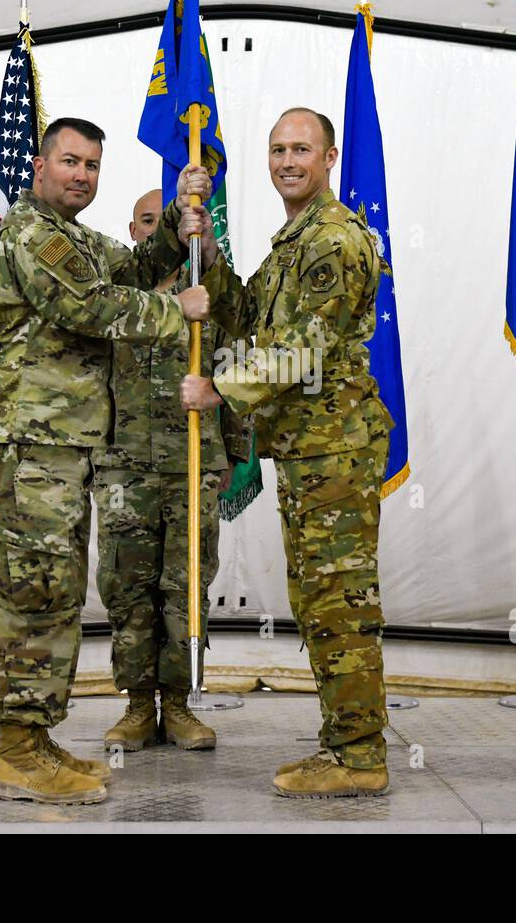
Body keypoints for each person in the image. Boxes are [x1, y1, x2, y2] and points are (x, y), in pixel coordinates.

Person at [0, 116, 217, 805]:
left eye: (93, 166)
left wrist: (176, 217)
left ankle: (36, 739)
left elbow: (132, 267)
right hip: (26, 450)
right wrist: (178, 311)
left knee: (55, 594)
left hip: (60, 451)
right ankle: (16, 752)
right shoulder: (29, 234)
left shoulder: (72, 238)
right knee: (33, 594)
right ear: (40, 167)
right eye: (70, 161)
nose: (82, 175)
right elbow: (89, 307)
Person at [181, 108, 393, 798]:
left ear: (329, 157)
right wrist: (210, 258)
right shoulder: (293, 242)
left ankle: (360, 756)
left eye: (301, 148)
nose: (286, 160)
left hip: (336, 448)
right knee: (319, 596)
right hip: (309, 447)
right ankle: (345, 744)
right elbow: (251, 318)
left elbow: (305, 348)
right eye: (276, 149)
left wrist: (219, 387)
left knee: (339, 600)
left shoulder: (333, 241)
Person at [92, 189, 250, 753]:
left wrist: (231, 456)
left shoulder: (211, 298)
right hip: (124, 468)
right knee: (126, 589)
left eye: (181, 221)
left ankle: (180, 704)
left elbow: (236, 367)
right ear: (135, 232)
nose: (173, 230)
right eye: (153, 222)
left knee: (184, 587)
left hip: (191, 464)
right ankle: (137, 706)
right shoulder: (112, 290)